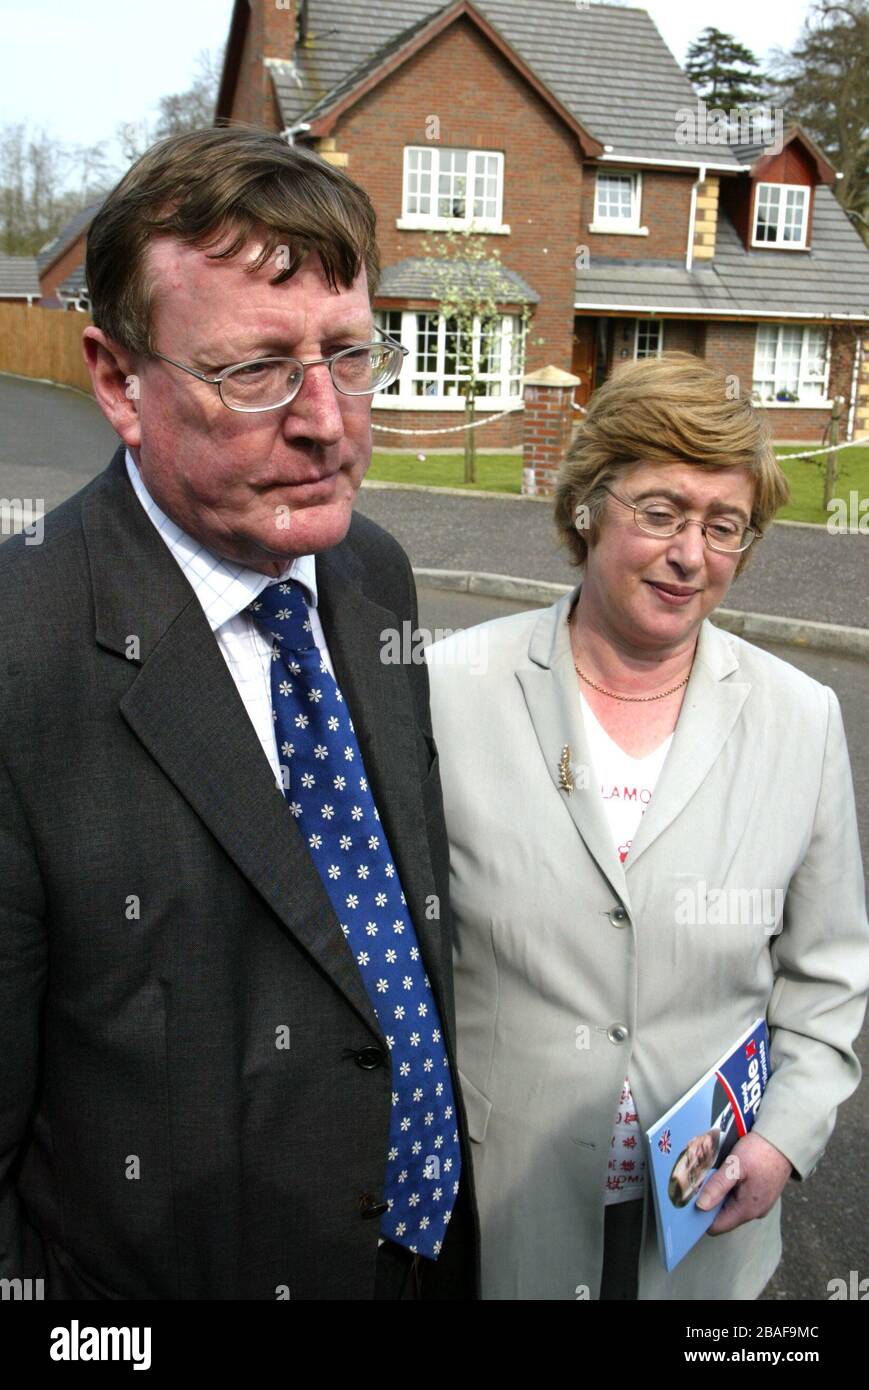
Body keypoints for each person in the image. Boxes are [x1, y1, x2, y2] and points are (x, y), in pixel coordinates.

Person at [0, 126, 479, 1300]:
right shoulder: (17, 652)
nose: (325, 420)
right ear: (118, 380)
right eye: (256, 372)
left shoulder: (371, 571)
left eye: (350, 356)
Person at [426, 353, 869, 1300]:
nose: (690, 556)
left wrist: (786, 1137)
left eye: (724, 526)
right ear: (585, 504)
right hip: (499, 1211)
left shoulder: (800, 716)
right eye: (660, 511)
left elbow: (826, 979)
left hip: (705, 1229)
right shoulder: (446, 689)